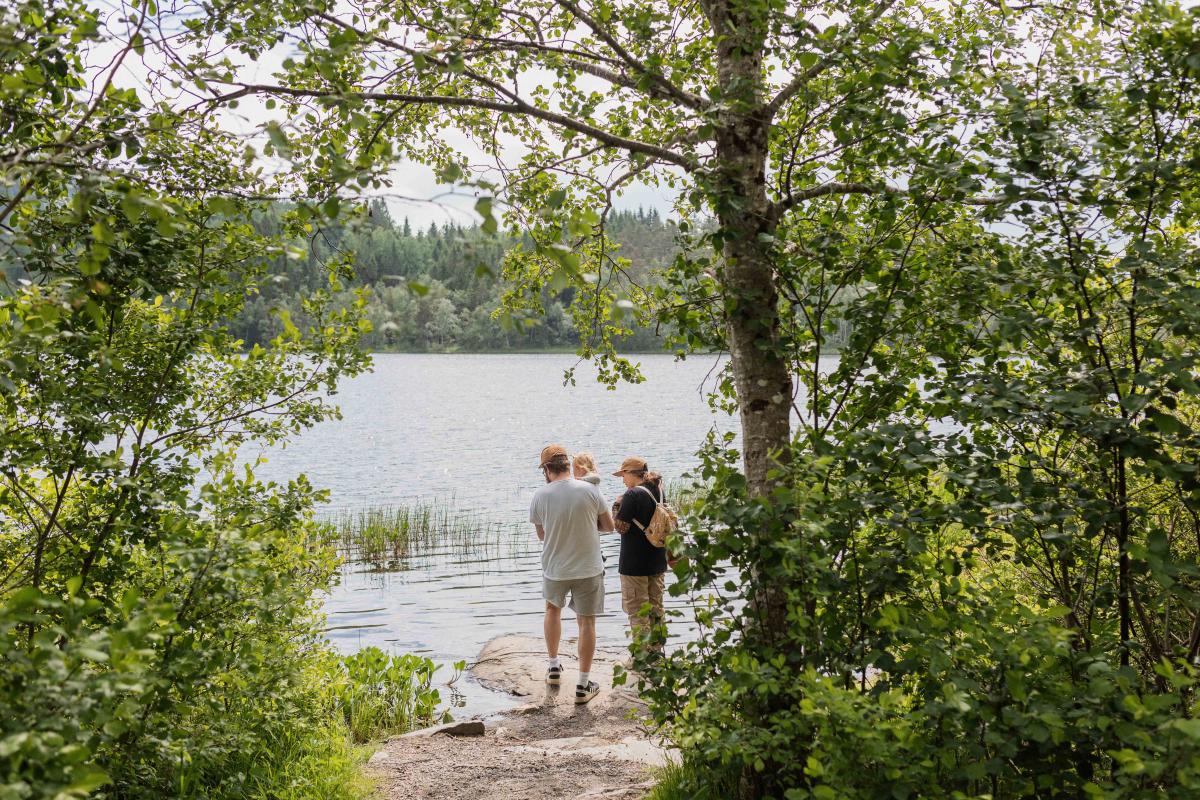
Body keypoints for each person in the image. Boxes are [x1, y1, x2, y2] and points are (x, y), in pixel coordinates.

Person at [529, 444, 615, 704]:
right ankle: (583, 684)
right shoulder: (590, 490)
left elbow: (541, 534)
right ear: (567, 465)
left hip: (555, 567)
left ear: (546, 469)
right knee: (586, 622)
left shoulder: (540, 495)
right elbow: (609, 527)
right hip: (588, 567)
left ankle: (554, 668)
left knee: (552, 610)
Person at [611, 456, 668, 649]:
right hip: (657, 560)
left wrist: (616, 505)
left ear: (630, 473)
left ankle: (642, 658)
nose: (622, 480)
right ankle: (658, 653)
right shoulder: (658, 490)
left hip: (634, 565)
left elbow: (620, 527)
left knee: (637, 612)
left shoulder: (631, 495)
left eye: (623, 475)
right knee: (656, 609)